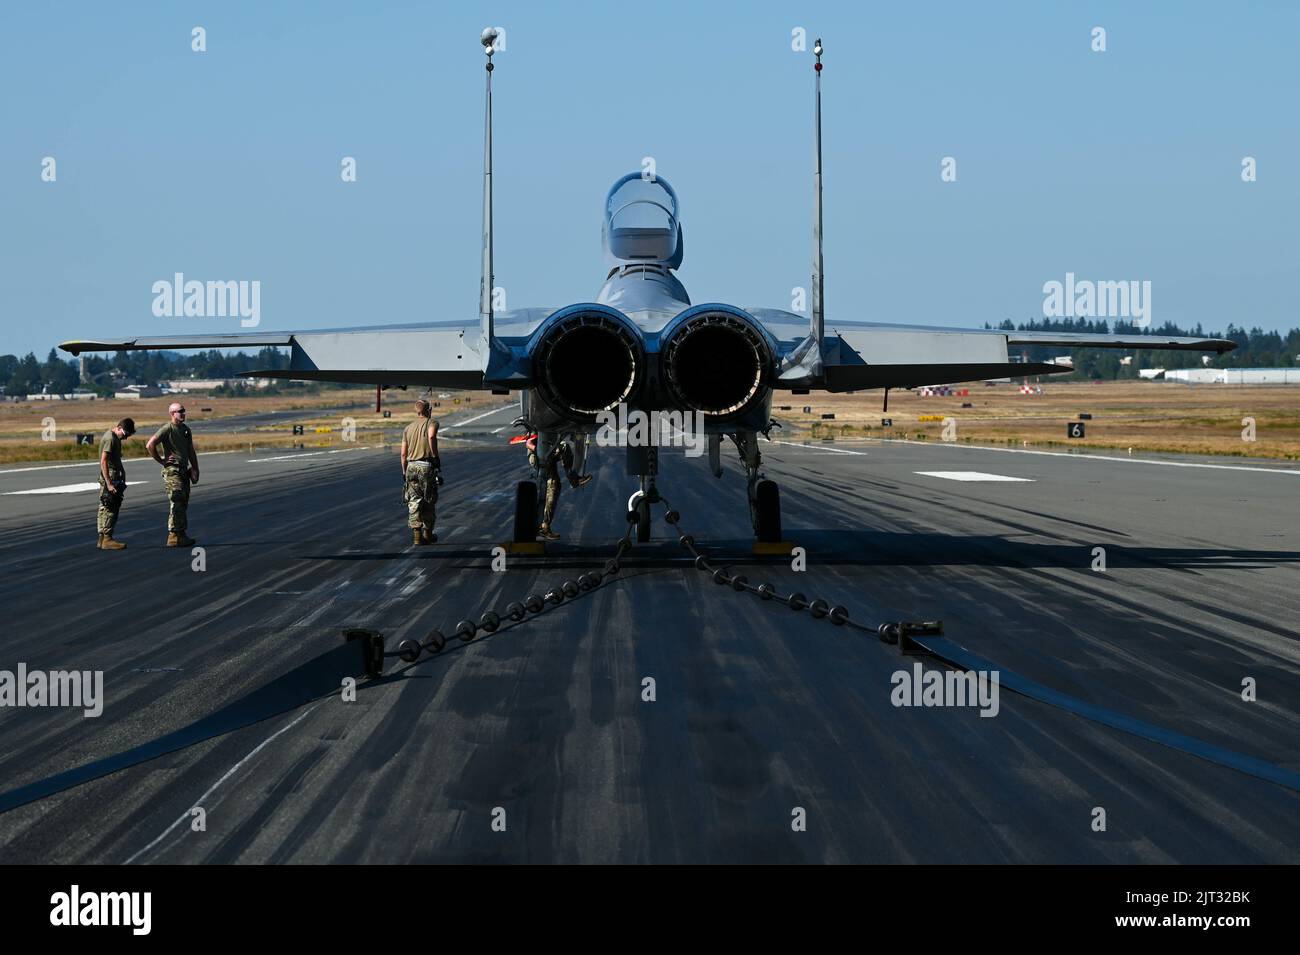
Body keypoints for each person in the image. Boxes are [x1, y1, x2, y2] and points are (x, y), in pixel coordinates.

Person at [146, 402, 199, 547]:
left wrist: (195, 468)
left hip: (183, 470)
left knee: (183, 501)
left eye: (184, 411)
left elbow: (190, 450)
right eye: (180, 411)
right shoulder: (167, 429)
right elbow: (150, 445)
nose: (183, 413)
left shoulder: (186, 430)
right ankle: (173, 535)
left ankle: (181, 534)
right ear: (172, 414)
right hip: (172, 470)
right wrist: (161, 461)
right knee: (176, 500)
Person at [530, 432, 591, 541]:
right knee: (564, 447)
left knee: (555, 485)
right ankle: (574, 480)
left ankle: (545, 527)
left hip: (546, 454)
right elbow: (529, 442)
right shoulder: (538, 425)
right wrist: (539, 451)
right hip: (540, 456)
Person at [400, 399, 440, 545]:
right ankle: (428, 533)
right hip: (425, 465)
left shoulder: (408, 428)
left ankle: (417, 535)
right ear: (429, 410)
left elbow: (403, 454)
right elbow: (431, 436)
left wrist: (404, 472)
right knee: (429, 499)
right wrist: (435, 457)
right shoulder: (432, 422)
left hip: (410, 467)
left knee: (414, 500)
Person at [96, 417, 136, 550]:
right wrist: (109, 483)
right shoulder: (110, 439)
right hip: (110, 477)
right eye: (125, 434)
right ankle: (107, 538)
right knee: (111, 507)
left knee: (105, 506)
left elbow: (116, 460)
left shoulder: (115, 438)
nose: (125, 438)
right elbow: (104, 461)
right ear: (119, 428)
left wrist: (123, 475)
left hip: (114, 476)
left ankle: (102, 538)